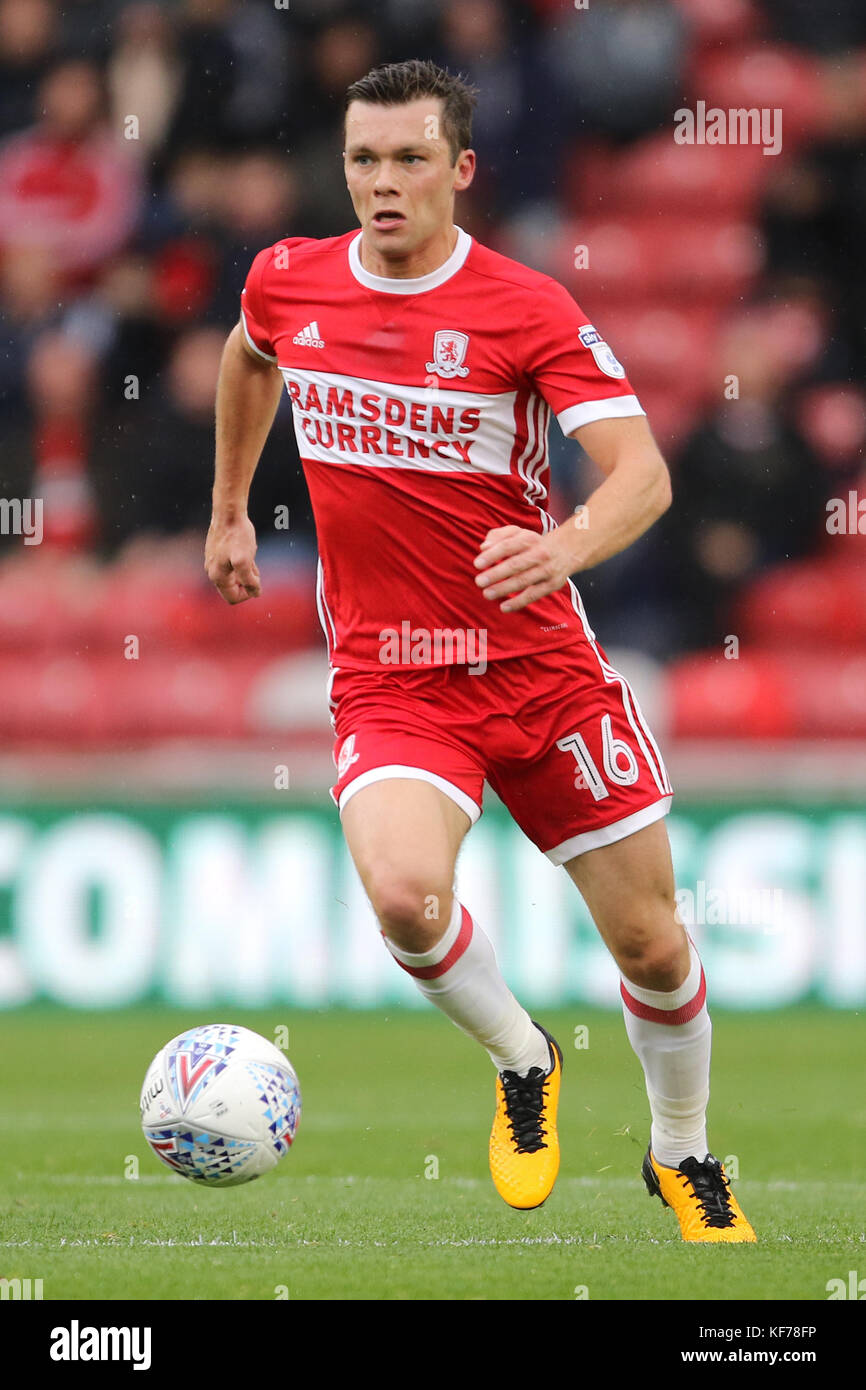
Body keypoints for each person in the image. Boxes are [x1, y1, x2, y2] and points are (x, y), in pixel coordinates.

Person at [205, 58, 755, 1243]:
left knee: (654, 944)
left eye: (409, 160)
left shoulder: (524, 307)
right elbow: (248, 356)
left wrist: (565, 547)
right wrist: (229, 505)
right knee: (405, 899)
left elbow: (641, 475)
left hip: (539, 670)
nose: (382, 183)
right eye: (363, 159)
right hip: (394, 673)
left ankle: (680, 1151)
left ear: (460, 169)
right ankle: (521, 1058)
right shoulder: (289, 280)